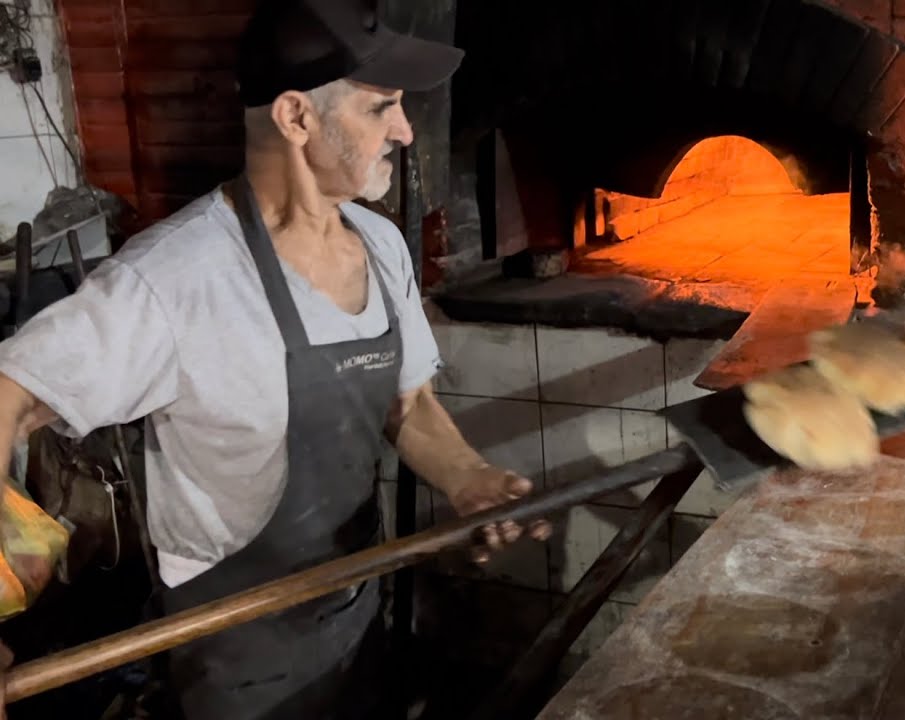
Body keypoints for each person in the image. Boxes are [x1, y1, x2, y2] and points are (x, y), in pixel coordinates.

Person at [0, 0, 550, 717]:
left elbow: (406, 403)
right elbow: (8, 397)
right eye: (381, 107)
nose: (406, 132)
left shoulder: (380, 247)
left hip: (354, 608)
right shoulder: (174, 280)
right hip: (239, 654)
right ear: (296, 118)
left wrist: (470, 478)